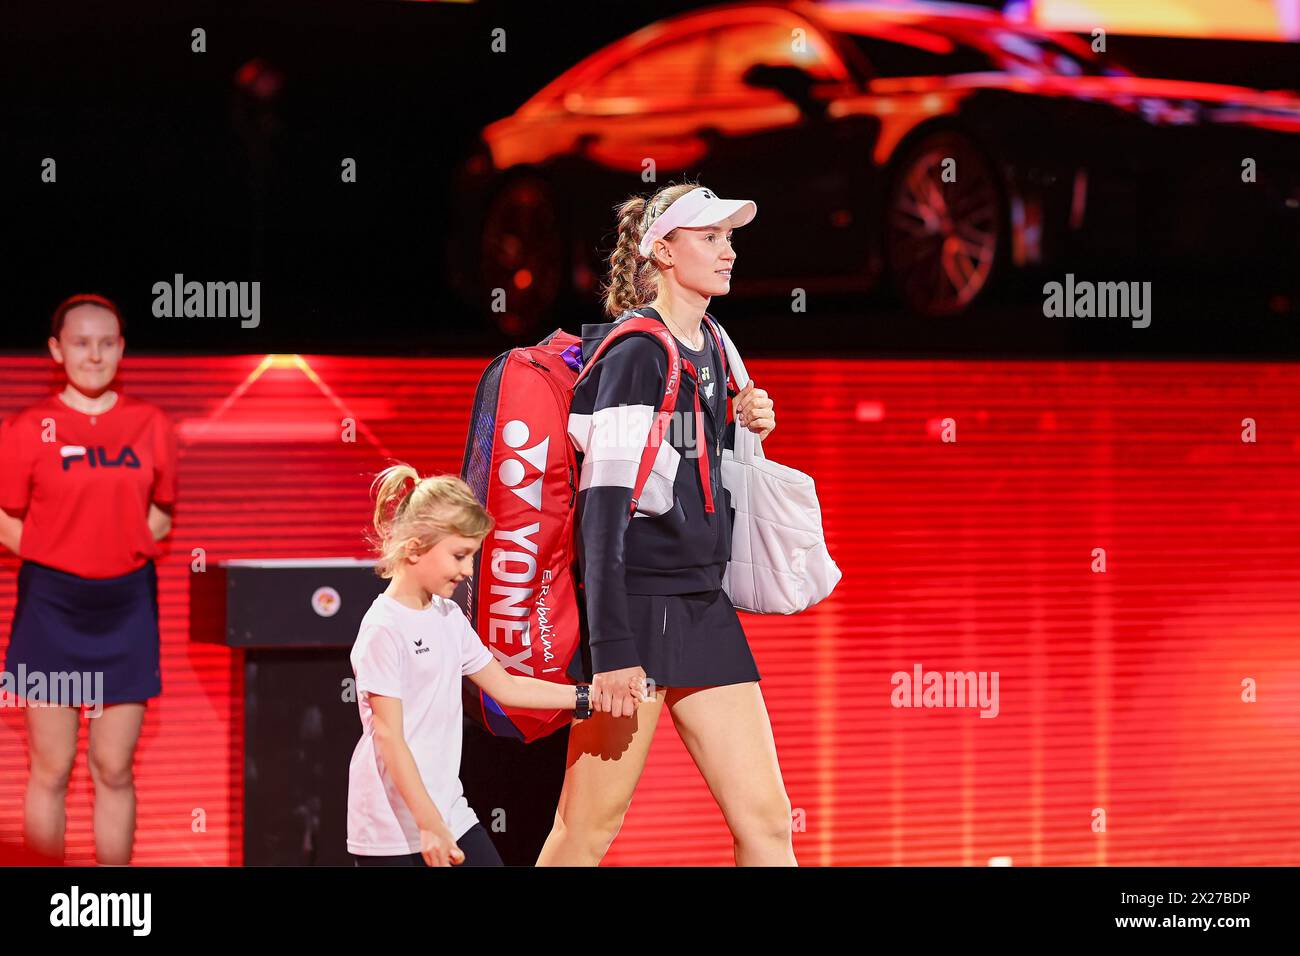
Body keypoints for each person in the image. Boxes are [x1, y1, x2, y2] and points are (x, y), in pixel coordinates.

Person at [537, 181, 790, 866]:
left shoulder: (713, 341)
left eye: (728, 237)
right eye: (709, 238)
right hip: (637, 613)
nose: (727, 250)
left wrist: (745, 421)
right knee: (586, 831)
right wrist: (613, 648)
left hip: (703, 605)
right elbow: (601, 513)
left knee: (768, 825)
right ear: (663, 252)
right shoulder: (636, 355)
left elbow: (694, 475)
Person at [347, 464, 641, 866]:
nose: (468, 570)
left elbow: (508, 687)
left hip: (450, 812)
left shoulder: (449, 618)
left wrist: (590, 696)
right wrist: (428, 823)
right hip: (391, 828)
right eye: (459, 556)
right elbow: (389, 739)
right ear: (415, 547)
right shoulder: (383, 628)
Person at [0, 293, 177, 865]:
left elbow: (163, 512)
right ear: (56, 350)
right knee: (49, 770)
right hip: (50, 608)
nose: (94, 355)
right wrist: (62, 552)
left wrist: (119, 548)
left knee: (114, 768)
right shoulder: (28, 427)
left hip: (126, 608)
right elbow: (5, 515)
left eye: (107, 343)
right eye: (80, 342)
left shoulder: (150, 424)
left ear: (121, 349)